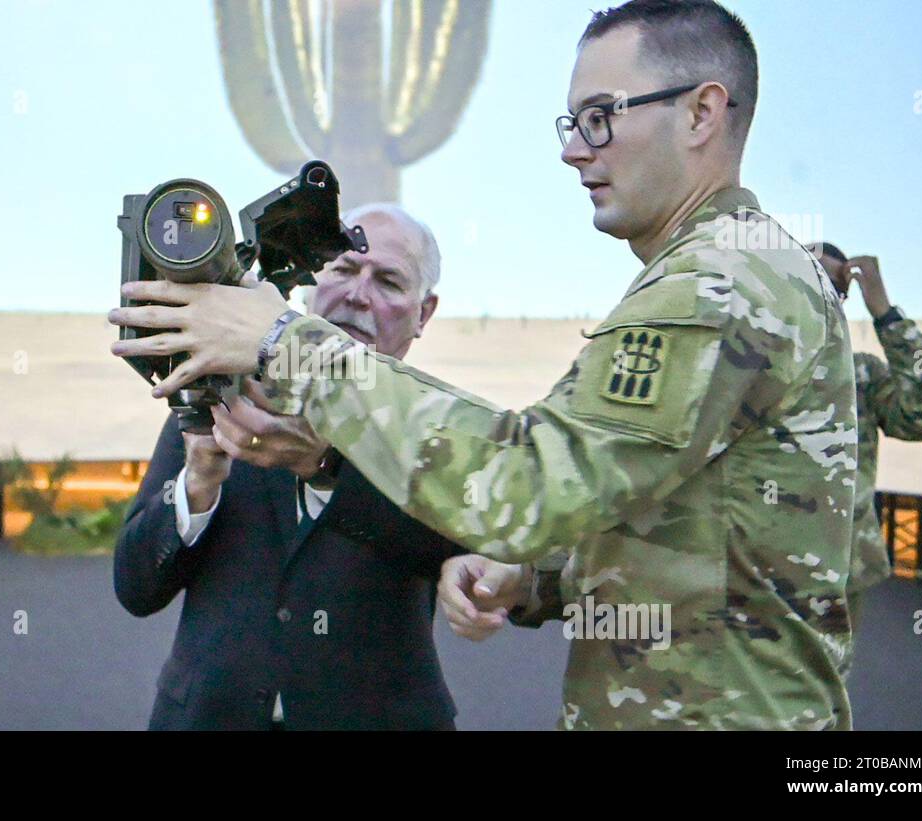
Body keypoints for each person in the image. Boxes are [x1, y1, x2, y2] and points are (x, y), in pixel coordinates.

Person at [108, 0, 859, 730]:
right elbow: (658, 512)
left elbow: (527, 484)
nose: (574, 148)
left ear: (701, 112)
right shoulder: (715, 272)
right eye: (574, 123)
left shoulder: (718, 284)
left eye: (602, 117)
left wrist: (280, 339)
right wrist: (537, 577)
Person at [113, 203, 466, 730]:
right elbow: (136, 588)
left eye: (389, 281)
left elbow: (457, 551)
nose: (357, 294)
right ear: (308, 283)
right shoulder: (218, 395)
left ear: (424, 312)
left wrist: (327, 465)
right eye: (344, 268)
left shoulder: (439, 429)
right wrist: (196, 487)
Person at [812, 244, 922, 643]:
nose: (818, 291)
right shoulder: (750, 364)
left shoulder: (860, 374)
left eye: (831, 285)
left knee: (824, 698)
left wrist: (886, 313)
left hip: (839, 574)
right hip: (752, 571)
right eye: (807, 276)